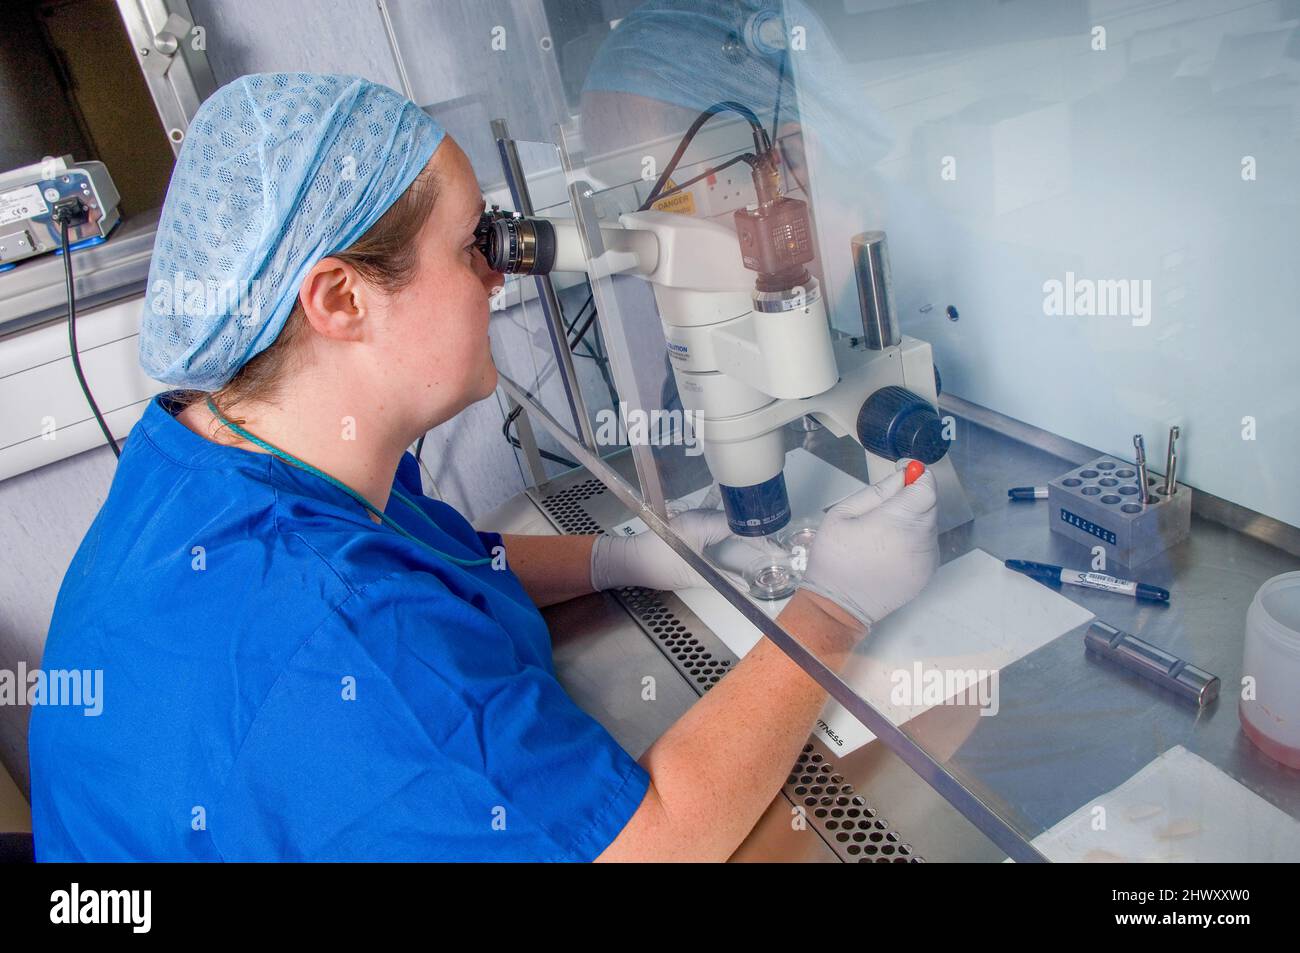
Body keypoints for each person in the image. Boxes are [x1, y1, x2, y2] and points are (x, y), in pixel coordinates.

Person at [29, 72, 937, 862]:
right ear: (341, 297)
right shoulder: (339, 639)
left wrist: (623, 556)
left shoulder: (217, 452)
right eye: (474, 245)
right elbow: (646, 844)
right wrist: (830, 614)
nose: (501, 273)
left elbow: (438, 557)